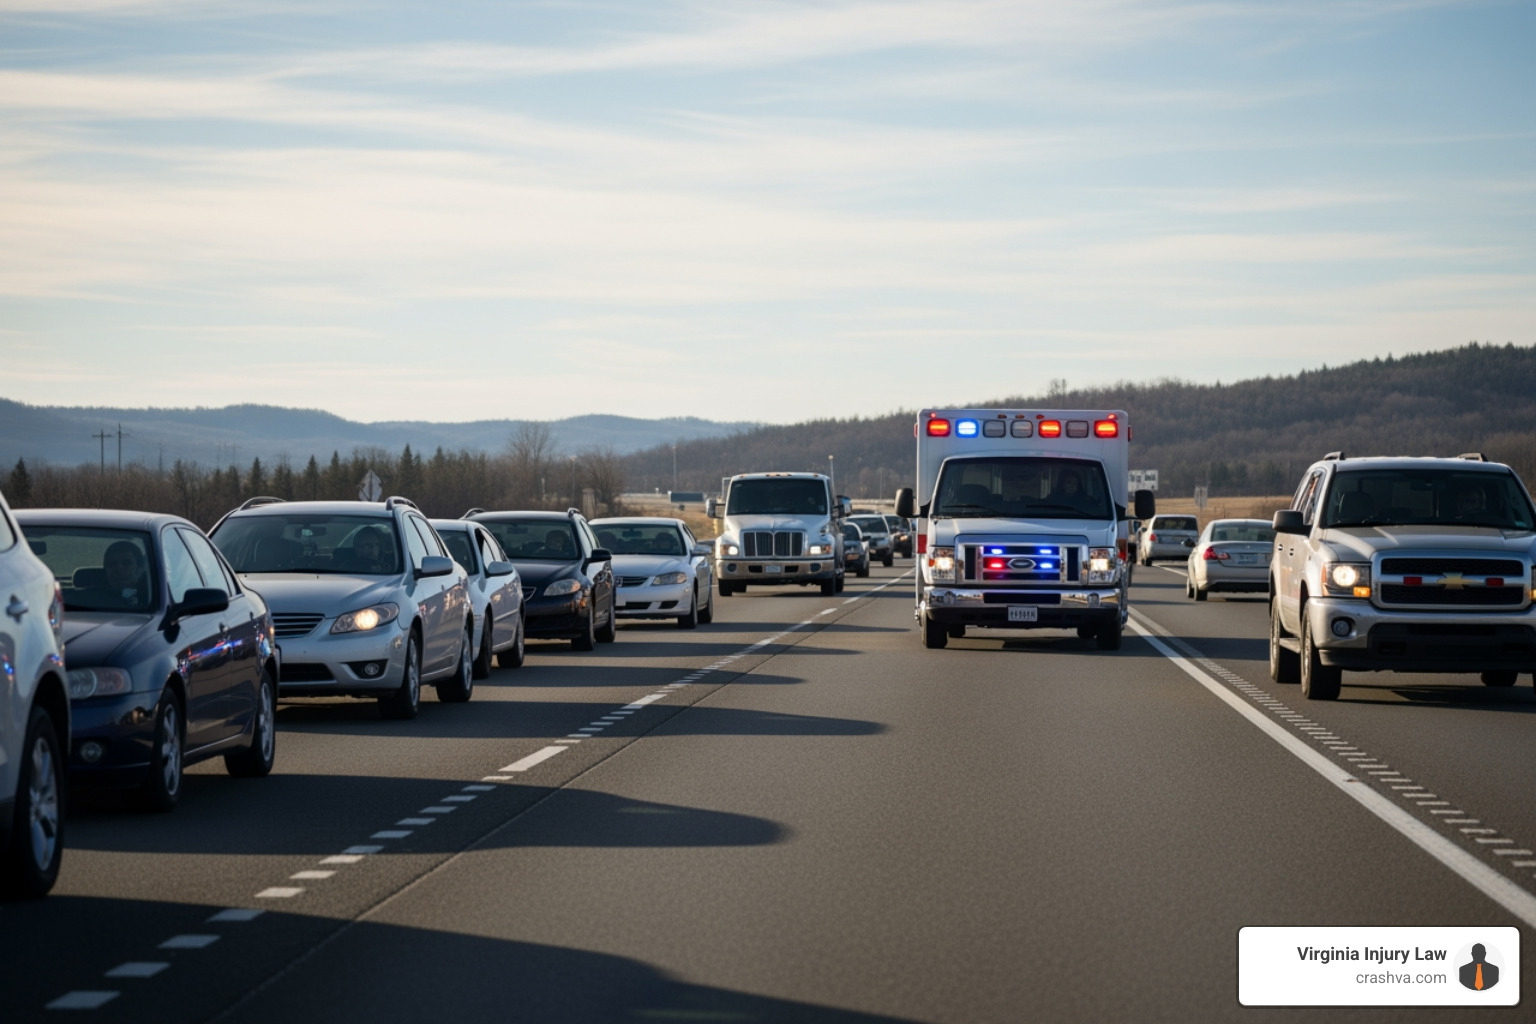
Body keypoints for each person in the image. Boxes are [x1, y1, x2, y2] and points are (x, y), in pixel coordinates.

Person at [102, 540, 152, 609]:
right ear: (106, 569)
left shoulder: (153, 597)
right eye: (112, 564)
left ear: (140, 568)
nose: (119, 568)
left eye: (126, 563)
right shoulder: (92, 598)